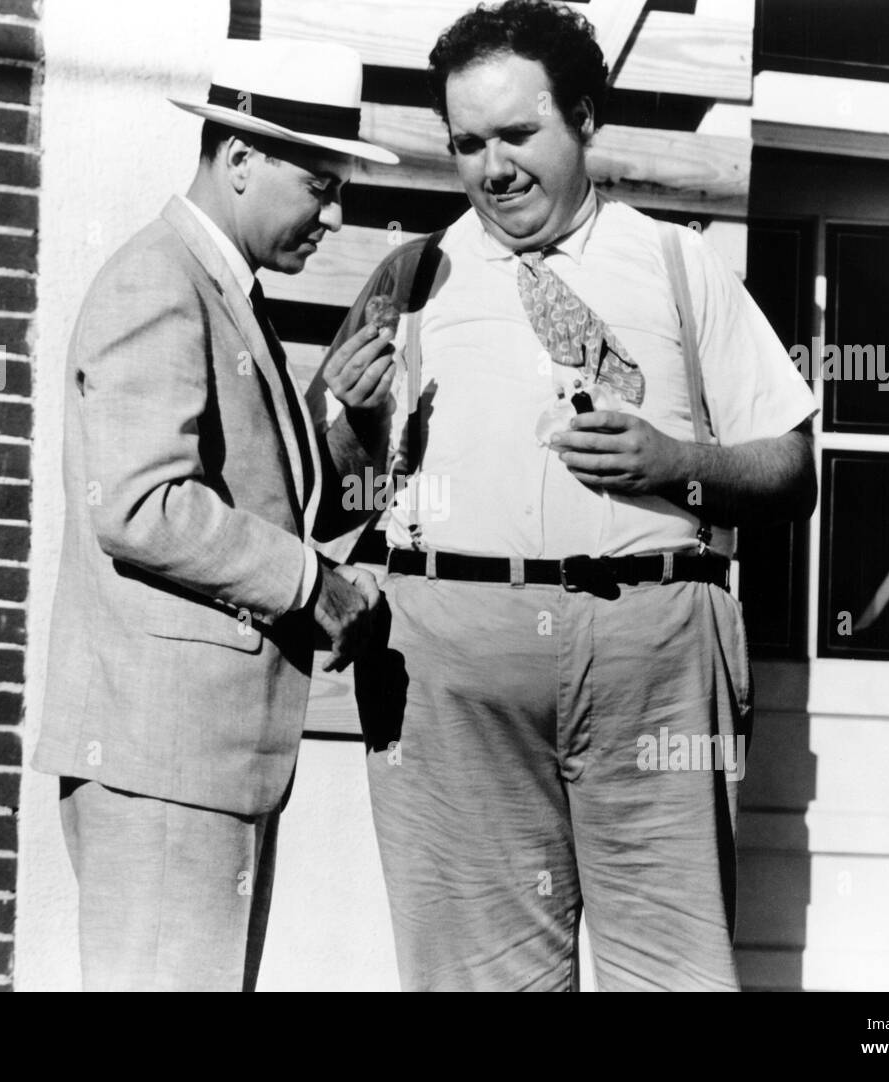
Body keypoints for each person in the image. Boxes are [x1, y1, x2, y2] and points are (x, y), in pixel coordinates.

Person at [322, 0, 818, 991]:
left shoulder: (680, 265)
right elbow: (335, 496)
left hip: (654, 657)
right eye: (468, 143)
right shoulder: (410, 275)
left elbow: (792, 473)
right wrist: (345, 421)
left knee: (671, 975)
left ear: (584, 120)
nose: (492, 167)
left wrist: (675, 460)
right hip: (453, 670)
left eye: (518, 133)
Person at [32, 38, 400, 991]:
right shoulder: (160, 282)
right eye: (320, 183)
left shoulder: (224, 290)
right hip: (162, 765)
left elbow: (256, 498)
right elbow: (142, 505)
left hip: (197, 763)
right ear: (239, 159)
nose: (335, 212)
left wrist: (342, 424)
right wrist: (310, 584)